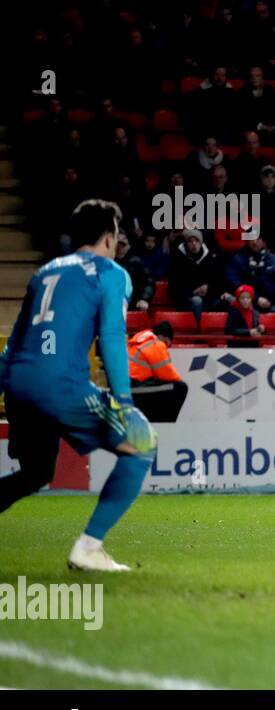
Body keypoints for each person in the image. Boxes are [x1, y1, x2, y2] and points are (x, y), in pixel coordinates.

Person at [0, 199, 156, 571]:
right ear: (109, 236)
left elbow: (14, 343)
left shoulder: (45, 272)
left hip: (19, 384)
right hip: (60, 385)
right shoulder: (111, 273)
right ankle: (89, 547)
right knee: (141, 443)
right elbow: (113, 336)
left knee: (38, 473)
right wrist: (124, 401)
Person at [127, 320, 188, 422]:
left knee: (165, 387)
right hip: (137, 388)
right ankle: (165, 425)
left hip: (129, 385)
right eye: (167, 343)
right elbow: (168, 375)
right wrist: (179, 380)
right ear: (162, 337)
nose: (166, 347)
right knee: (181, 387)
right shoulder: (155, 344)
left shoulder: (140, 339)